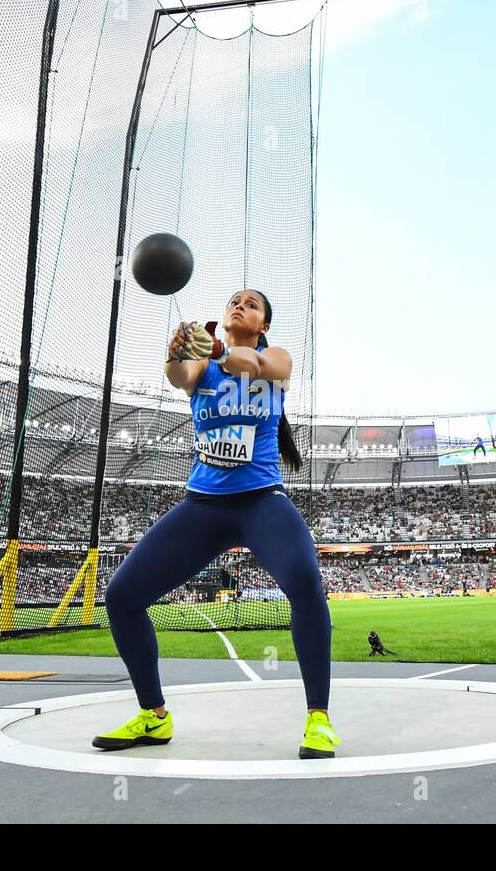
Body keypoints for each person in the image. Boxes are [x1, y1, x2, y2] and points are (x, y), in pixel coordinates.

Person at [91, 289, 339, 759]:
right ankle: (153, 717)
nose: (240, 306)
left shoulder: (275, 356)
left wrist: (219, 349)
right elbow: (180, 376)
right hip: (203, 506)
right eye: (234, 301)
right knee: (122, 596)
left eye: (252, 303)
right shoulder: (204, 365)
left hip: (262, 502)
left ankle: (318, 719)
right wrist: (176, 353)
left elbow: (257, 368)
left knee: (306, 581)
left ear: (263, 324)